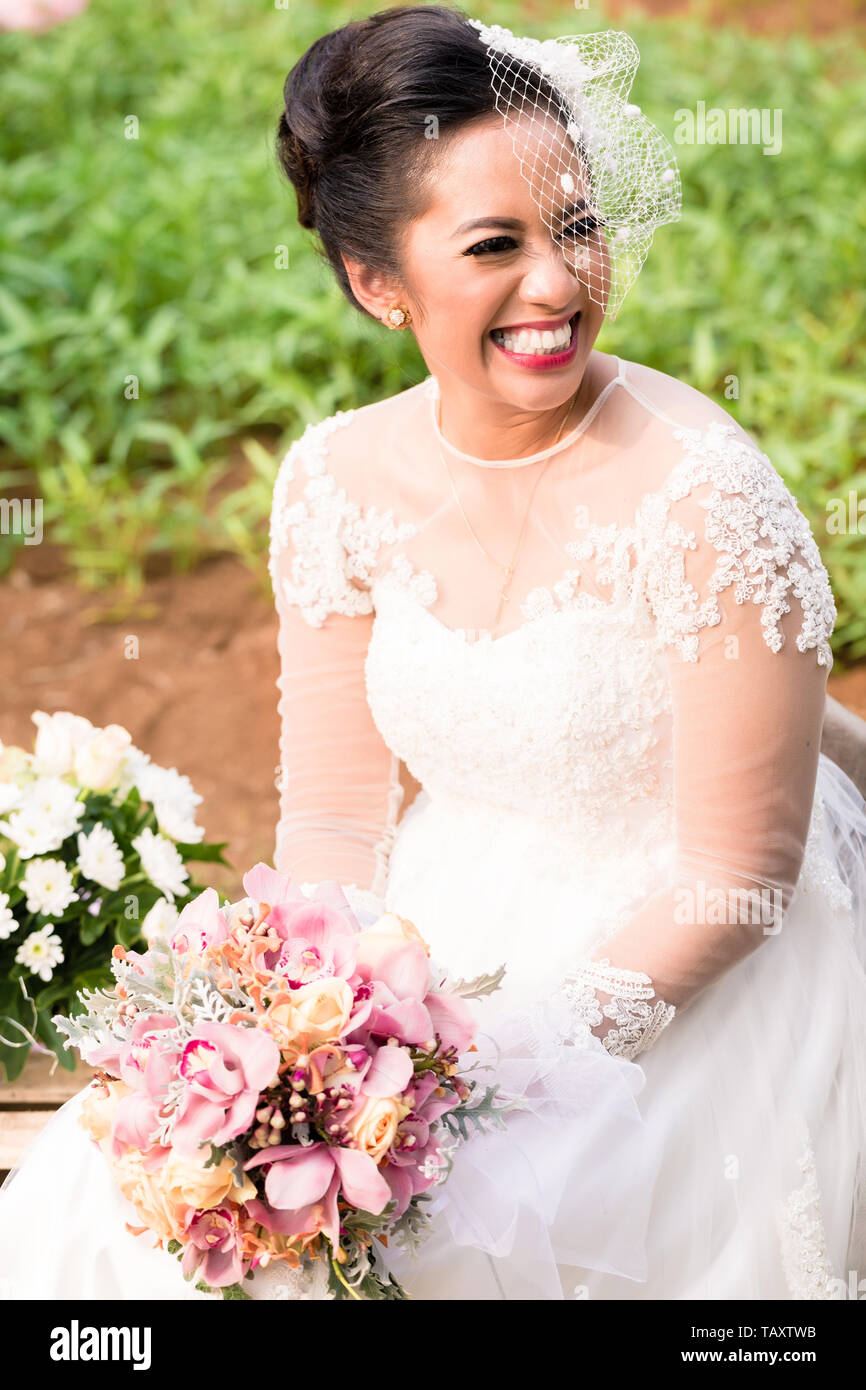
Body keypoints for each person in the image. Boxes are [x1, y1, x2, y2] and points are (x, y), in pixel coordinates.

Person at [1, 4, 864, 1301]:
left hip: (698, 962)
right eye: (495, 245)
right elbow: (339, 820)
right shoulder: (336, 481)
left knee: (454, 1229)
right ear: (376, 280)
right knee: (138, 1215)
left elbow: (738, 872)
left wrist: (498, 1071)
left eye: (575, 227)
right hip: (450, 933)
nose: (558, 283)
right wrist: (308, 1048)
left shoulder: (703, 495)